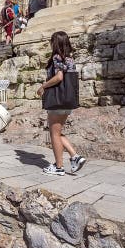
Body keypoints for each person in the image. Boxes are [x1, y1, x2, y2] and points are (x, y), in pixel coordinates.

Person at [36, 31, 86, 176]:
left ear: (55, 43)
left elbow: (59, 77)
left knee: (54, 134)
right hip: (67, 100)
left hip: (57, 100)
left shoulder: (57, 57)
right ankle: (75, 157)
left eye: (52, 42)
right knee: (57, 132)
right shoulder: (70, 59)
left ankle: (59, 167)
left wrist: (43, 86)